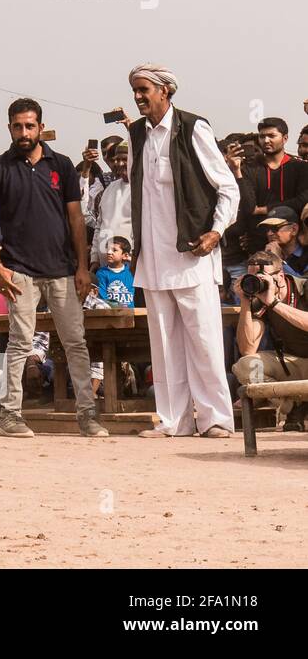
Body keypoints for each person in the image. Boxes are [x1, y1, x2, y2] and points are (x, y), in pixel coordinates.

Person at [0, 98, 108, 438]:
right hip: (18, 269)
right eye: (18, 126)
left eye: (30, 125)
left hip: (63, 269)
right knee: (20, 343)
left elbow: (76, 219)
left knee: (74, 342)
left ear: (40, 126)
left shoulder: (62, 165)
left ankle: (87, 415)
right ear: (9, 128)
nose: (24, 132)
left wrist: (82, 266)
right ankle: (10, 416)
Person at [124, 64, 240, 438]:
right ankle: (175, 421)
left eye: (144, 90)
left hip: (192, 255)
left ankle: (216, 419)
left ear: (165, 91)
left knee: (204, 340)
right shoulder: (136, 135)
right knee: (164, 343)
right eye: (135, 91)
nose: (139, 97)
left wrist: (215, 231)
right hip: (153, 259)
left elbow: (228, 188)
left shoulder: (192, 128)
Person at [233, 250, 308, 429]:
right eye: (252, 278)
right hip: (292, 365)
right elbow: (248, 349)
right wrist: (245, 303)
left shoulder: (304, 287)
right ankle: (291, 405)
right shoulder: (259, 300)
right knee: (247, 365)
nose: (258, 282)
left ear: (280, 276)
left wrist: (274, 303)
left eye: (262, 278)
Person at [96, 237, 135, 307]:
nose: (109, 252)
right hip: (110, 314)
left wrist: (129, 258)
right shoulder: (101, 273)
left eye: (114, 250)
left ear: (125, 255)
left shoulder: (131, 271)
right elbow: (102, 298)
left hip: (129, 314)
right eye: (107, 249)